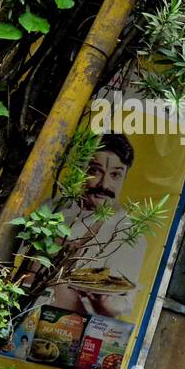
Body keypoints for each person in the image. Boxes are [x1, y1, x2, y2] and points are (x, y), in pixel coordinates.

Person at [44, 133, 146, 320]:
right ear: (80, 170)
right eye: (95, 171)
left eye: (115, 175)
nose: (104, 184)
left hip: (76, 329)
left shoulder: (129, 234)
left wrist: (111, 306)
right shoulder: (51, 210)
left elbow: (122, 302)